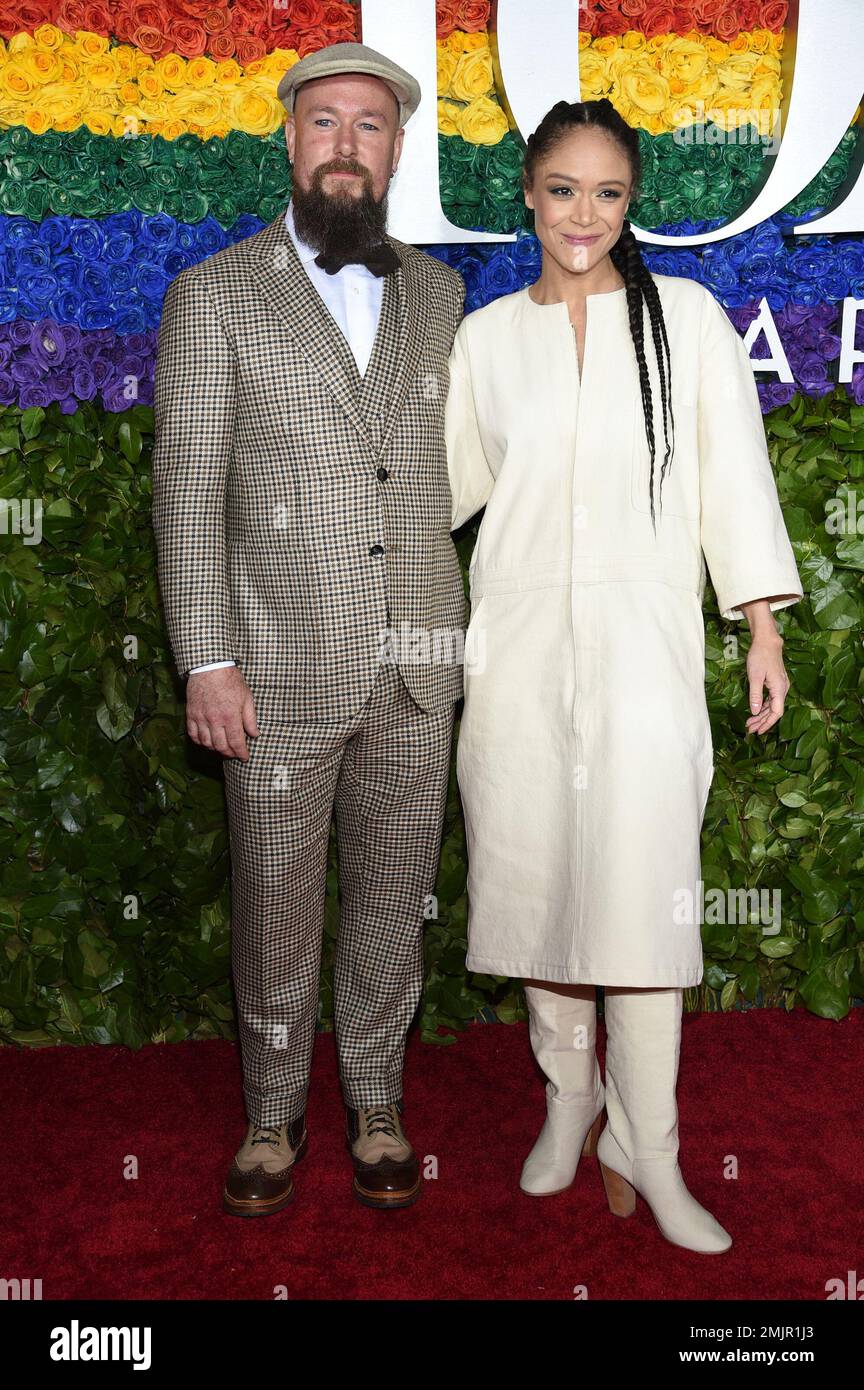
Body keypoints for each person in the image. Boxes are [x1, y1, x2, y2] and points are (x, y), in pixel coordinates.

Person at [444, 98, 804, 1254]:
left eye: (606, 192)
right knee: (538, 875)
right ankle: (570, 1101)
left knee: (644, 893)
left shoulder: (688, 319)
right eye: (561, 190)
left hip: (646, 652)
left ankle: (649, 1144)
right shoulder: (486, 338)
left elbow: (734, 478)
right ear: (530, 197)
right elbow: (435, 493)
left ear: (632, 199)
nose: (582, 215)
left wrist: (761, 625)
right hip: (515, 651)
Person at [151, 42, 468, 1215]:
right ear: (289, 140)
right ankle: (273, 1111)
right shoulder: (217, 292)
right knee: (277, 905)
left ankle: (376, 1097)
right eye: (325, 121)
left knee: (395, 899)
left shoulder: (443, 295)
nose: (347, 143)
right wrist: (208, 656)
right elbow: (186, 487)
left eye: (370, 125)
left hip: (418, 661)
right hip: (273, 668)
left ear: (394, 150)